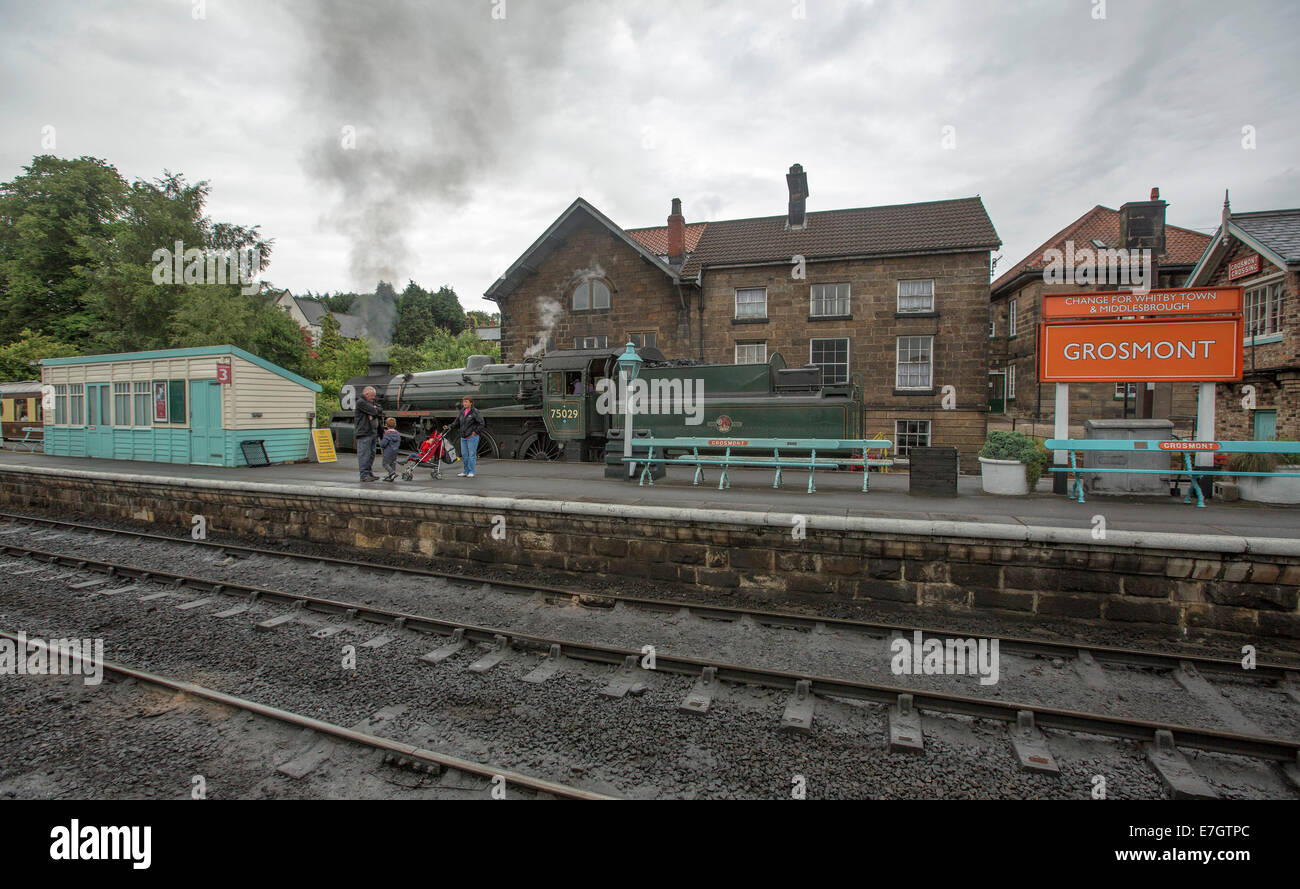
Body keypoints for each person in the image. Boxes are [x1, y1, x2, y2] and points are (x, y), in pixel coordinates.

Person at [354, 385, 383, 482]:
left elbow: (379, 409)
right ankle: (364, 475)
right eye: (372, 396)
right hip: (364, 432)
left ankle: (369, 473)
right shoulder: (361, 402)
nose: (373, 398)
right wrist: (374, 410)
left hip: (372, 431)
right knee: (364, 454)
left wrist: (375, 409)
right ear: (366, 394)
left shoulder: (370, 402)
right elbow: (374, 411)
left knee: (371, 454)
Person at [456, 395, 484, 479]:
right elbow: (457, 421)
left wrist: (475, 432)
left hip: (472, 437)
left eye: (466, 402)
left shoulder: (475, 412)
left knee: (471, 454)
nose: (464, 403)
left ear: (471, 403)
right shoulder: (462, 411)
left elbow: (481, 423)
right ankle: (465, 471)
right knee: (464, 455)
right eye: (463, 402)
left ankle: (472, 471)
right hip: (463, 436)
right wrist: (449, 426)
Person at [380, 417, 401, 482]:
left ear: (386, 425)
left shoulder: (387, 434)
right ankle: (391, 476)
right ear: (395, 425)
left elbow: (383, 444)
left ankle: (392, 473)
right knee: (392, 463)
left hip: (388, 451)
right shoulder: (397, 434)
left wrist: (381, 444)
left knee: (385, 464)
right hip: (395, 451)